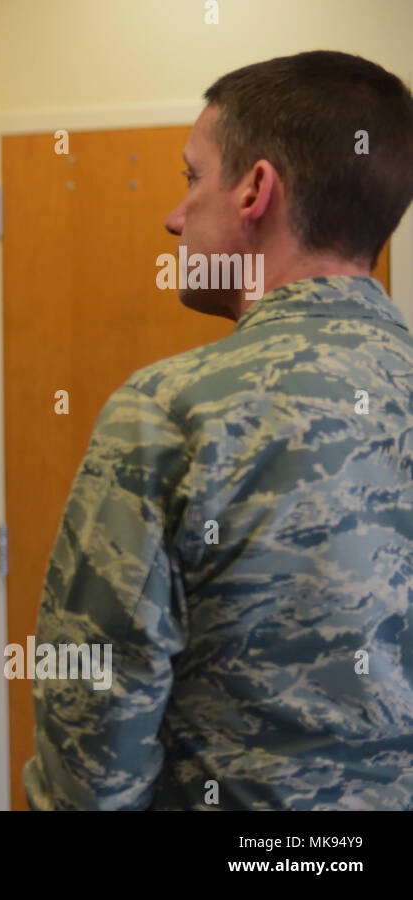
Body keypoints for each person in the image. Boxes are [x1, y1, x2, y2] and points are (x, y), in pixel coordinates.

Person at [25, 51, 413, 809]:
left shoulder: (170, 412)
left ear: (255, 191)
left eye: (190, 177)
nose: (175, 215)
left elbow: (91, 753)